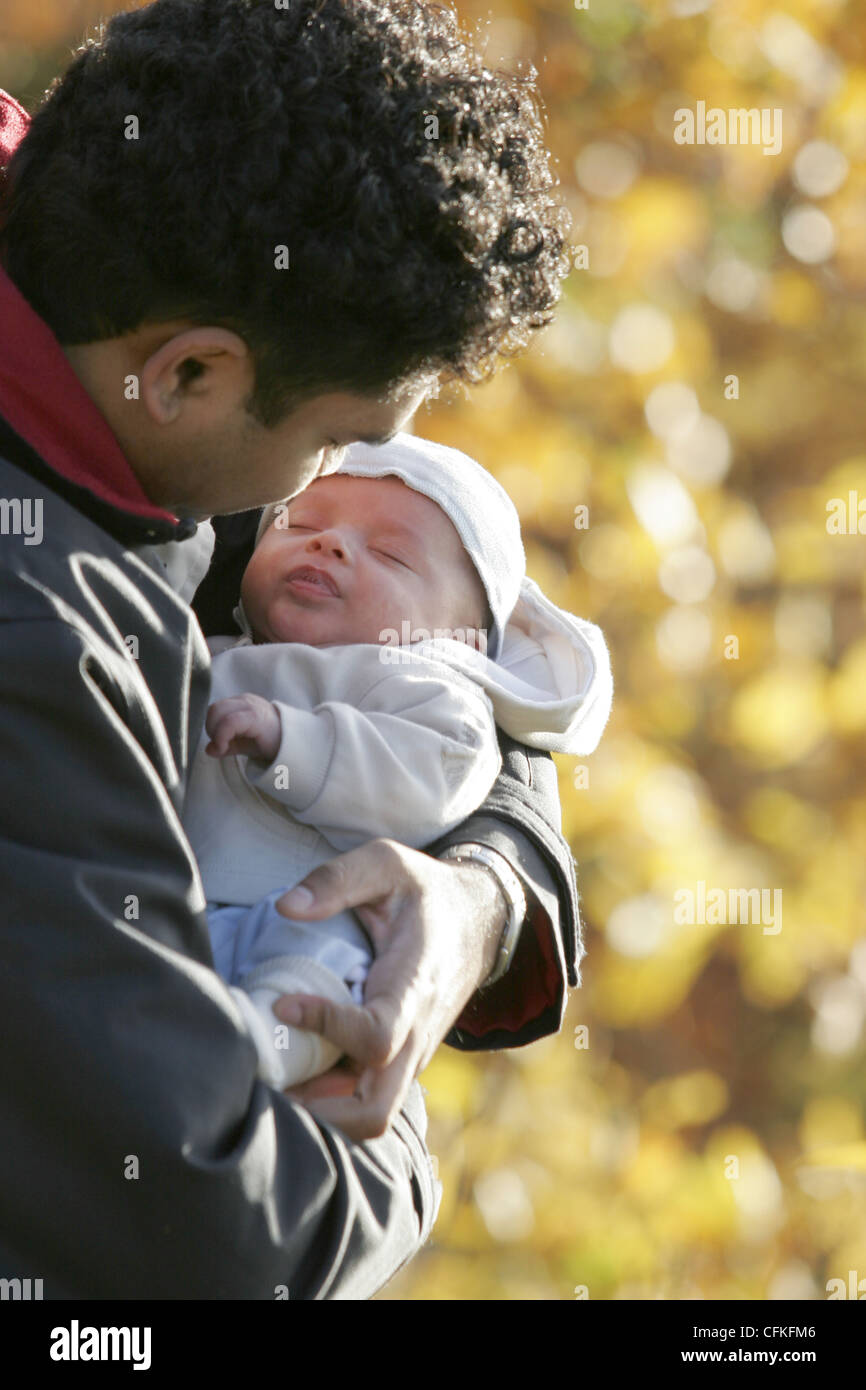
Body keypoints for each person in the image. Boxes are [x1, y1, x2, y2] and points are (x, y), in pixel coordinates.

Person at [0, 0, 581, 1298]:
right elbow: (204, 1218)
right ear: (194, 374)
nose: (321, 500)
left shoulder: (92, 290)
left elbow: (434, 639)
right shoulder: (39, 644)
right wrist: (397, 1132)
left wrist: (476, 898)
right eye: (335, 444)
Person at [183, 434, 612, 1089]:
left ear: (460, 638)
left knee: (322, 966)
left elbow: (422, 780)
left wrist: (291, 742)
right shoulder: (208, 649)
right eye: (300, 523)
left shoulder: (427, 692)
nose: (328, 544)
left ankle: (252, 1054)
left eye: (389, 553)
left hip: (303, 910)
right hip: (175, 902)